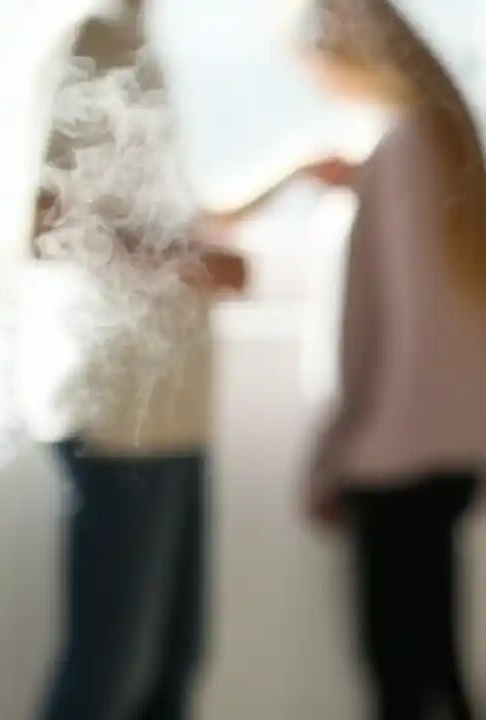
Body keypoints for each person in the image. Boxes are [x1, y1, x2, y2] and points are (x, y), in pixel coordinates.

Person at [209, 1, 486, 717]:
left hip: (387, 453)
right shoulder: (443, 142)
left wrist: (333, 452)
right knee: (438, 664)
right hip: (453, 450)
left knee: (398, 670)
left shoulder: (398, 150)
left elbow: (374, 331)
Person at [25, 2, 246, 718]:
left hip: (174, 410)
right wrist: (192, 263)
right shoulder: (96, 39)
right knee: (112, 667)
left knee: (174, 662)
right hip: (123, 415)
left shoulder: (146, 45)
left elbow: (146, 213)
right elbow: (51, 221)